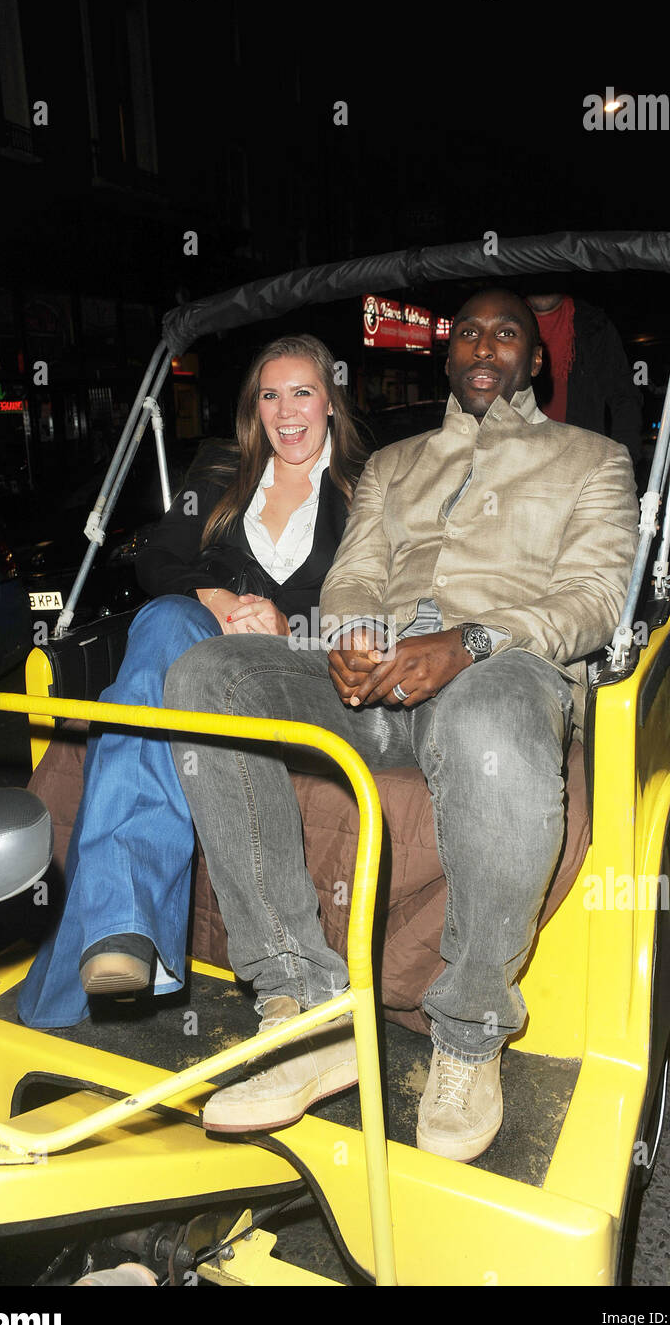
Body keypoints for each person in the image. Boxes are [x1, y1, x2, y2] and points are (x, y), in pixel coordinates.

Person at [163, 288, 640, 1164]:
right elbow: (354, 574)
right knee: (203, 674)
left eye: (507, 333)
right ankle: (302, 1007)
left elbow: (596, 603)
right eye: (466, 333)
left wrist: (468, 643)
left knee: (495, 730)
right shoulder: (394, 464)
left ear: (535, 359)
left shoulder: (595, 460)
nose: (484, 345)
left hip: (500, 667)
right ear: (447, 356)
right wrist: (349, 635)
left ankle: (467, 1037)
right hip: (375, 670)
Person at [17, 335, 366, 1029]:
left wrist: (287, 620)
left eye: (303, 392)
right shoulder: (221, 469)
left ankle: (90, 958)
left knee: (143, 685)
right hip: (199, 639)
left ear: (331, 400)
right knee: (165, 622)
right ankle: (122, 933)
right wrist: (213, 598)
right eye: (270, 394)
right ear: (253, 407)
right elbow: (154, 561)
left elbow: (379, 598)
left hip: (295, 666)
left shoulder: (367, 484)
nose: (286, 410)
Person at [526, 292, 643, 463]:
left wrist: (623, 460)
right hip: (521, 462)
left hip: (580, 464)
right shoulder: (504, 322)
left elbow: (624, 397)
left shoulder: (593, 325)